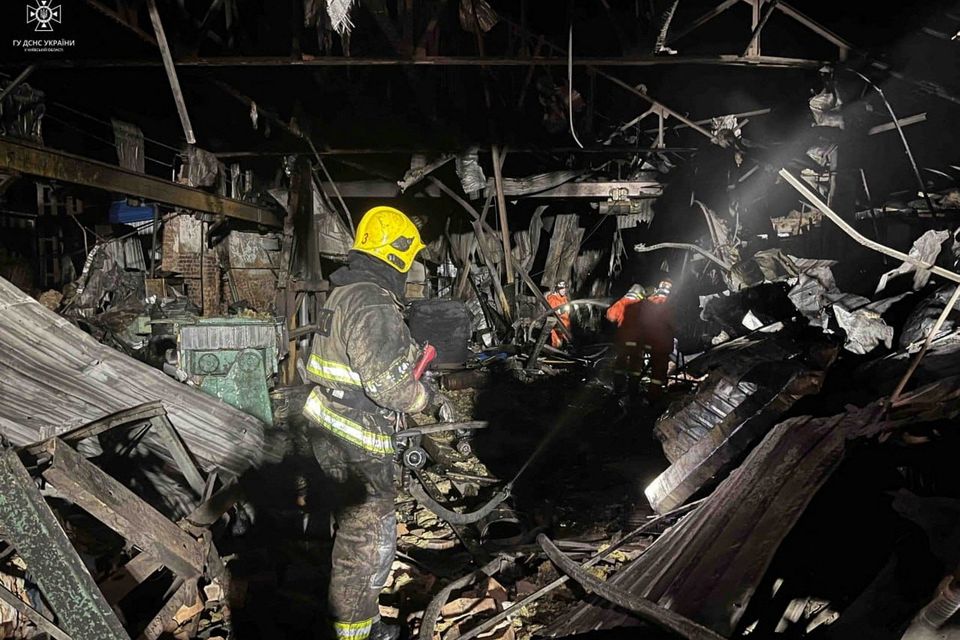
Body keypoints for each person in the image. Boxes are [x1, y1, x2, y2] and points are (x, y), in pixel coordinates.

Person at [302, 205, 452, 640]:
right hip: (357, 440)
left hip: (329, 426)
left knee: (349, 532)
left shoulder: (345, 293)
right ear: (397, 255)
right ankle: (355, 633)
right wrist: (426, 397)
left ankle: (354, 619)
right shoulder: (372, 302)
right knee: (366, 545)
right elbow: (390, 388)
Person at [615, 279, 675, 398]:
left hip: (637, 340)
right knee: (656, 370)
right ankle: (652, 396)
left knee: (624, 362)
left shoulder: (642, 304)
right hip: (659, 343)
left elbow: (611, 315)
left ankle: (623, 388)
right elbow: (673, 324)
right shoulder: (670, 305)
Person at [545, 280, 572, 348]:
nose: (564, 290)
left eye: (565, 288)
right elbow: (552, 312)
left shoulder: (564, 298)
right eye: (561, 288)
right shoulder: (552, 298)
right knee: (557, 346)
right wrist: (562, 310)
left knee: (567, 347)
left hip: (566, 327)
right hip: (557, 327)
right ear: (557, 289)